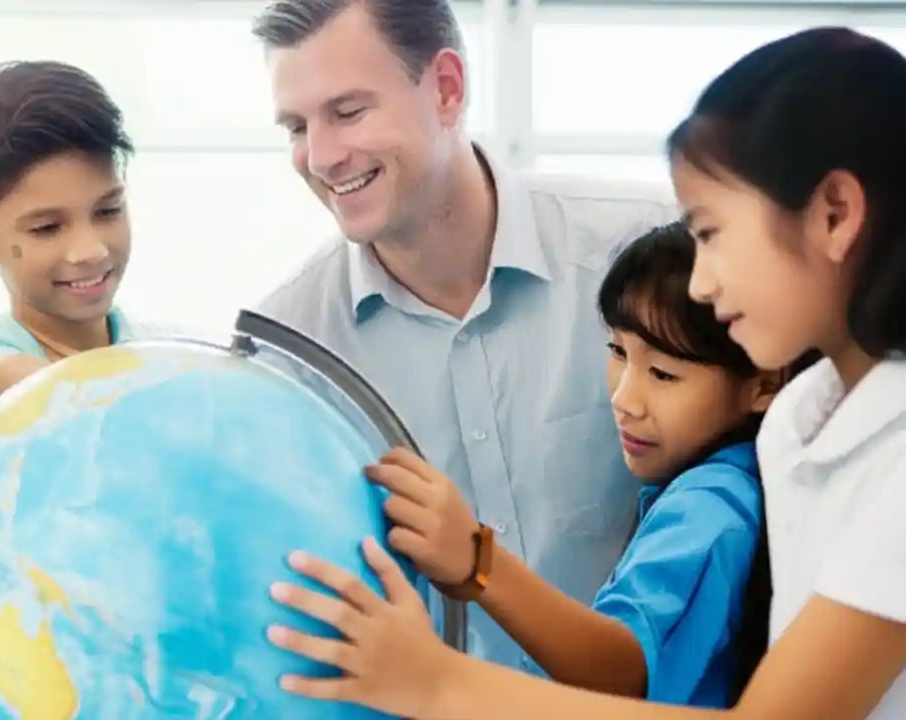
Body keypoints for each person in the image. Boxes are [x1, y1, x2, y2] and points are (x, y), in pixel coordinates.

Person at [266, 26, 906, 719]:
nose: (699, 284)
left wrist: (437, 682)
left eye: (712, 234)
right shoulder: (801, 415)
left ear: (835, 215)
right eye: (297, 125)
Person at [251, 0, 673, 665]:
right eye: (296, 126)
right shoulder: (287, 355)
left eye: (349, 111)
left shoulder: (648, 252)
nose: (322, 156)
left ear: (447, 89)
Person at [341, 223, 797, 709]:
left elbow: (622, 672)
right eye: (619, 352)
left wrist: (477, 560)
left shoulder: (710, 504)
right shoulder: (743, 480)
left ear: (764, 386)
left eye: (664, 373)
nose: (625, 400)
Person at [0, 60, 145, 406]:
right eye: (47, 228)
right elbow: (11, 382)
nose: (91, 251)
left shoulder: (150, 348)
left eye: (107, 211)